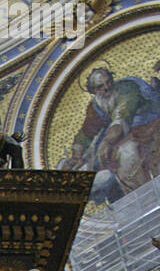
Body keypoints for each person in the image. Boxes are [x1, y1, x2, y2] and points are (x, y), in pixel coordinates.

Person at [59, 64, 160, 202]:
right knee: (100, 158)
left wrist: (107, 141)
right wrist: (77, 156)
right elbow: (86, 132)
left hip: (149, 124)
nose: (106, 88)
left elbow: (122, 116)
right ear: (93, 91)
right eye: (100, 86)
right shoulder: (96, 105)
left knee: (127, 152)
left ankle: (146, 196)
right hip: (123, 133)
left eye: (108, 82)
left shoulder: (127, 89)